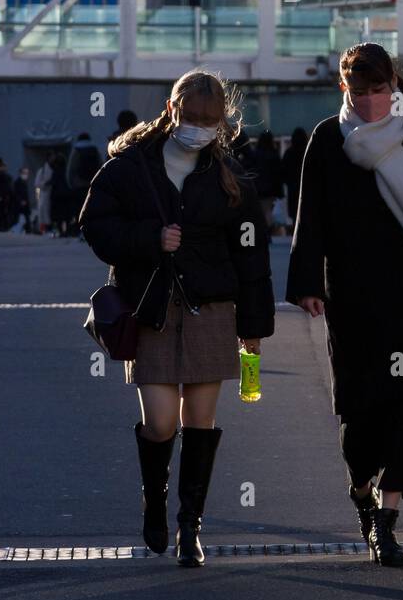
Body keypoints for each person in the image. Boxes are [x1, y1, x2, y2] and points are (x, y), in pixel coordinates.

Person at [286, 43, 403, 568]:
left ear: (394, 85)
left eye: (379, 89)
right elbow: (312, 219)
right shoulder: (327, 139)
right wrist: (307, 283)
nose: (371, 101)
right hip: (351, 294)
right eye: (360, 91)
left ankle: (387, 524)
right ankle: (360, 489)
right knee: (359, 407)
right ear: (343, 89)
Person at [80, 69, 275, 567]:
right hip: (153, 309)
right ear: (171, 111)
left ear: (222, 123)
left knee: (200, 421)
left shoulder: (231, 176)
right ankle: (155, 500)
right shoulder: (131, 166)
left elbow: (252, 257)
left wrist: (253, 329)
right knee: (162, 422)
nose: (200, 129)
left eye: (210, 122)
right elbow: (94, 224)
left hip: (212, 311)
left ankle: (191, 525)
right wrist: (149, 238)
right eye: (192, 119)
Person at [247, 130, 284, 231]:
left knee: (260, 211)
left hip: (258, 188)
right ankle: (267, 230)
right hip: (271, 189)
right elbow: (278, 174)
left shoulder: (255, 154)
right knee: (268, 210)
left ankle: (262, 230)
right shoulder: (274, 155)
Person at [67, 132, 103, 230]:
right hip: (92, 184)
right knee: (92, 208)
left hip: (79, 185)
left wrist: (71, 183)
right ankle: (92, 228)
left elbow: (71, 169)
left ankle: (81, 229)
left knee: (79, 208)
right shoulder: (94, 149)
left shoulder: (76, 150)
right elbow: (101, 166)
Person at [280, 127, 308, 228]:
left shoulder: (289, 152)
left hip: (293, 186)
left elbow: (283, 170)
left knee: (294, 211)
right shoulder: (308, 151)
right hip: (306, 186)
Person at [48, 151, 72, 237]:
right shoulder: (67, 170)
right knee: (66, 214)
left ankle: (61, 231)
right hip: (66, 195)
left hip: (57, 196)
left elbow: (53, 182)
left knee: (58, 215)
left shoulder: (55, 171)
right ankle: (68, 230)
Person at [0, 158, 14, 231]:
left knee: (1, 214)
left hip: (2, 198)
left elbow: (5, 188)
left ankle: (1, 227)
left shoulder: (4, 176)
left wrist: (1, 196)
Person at [34, 153, 53, 234]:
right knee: (43, 212)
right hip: (44, 194)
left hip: (51, 194)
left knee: (47, 212)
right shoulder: (42, 171)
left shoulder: (53, 169)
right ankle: (44, 228)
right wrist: (45, 184)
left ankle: (48, 228)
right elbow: (36, 183)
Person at [12, 167, 32, 233]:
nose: (26, 174)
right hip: (19, 203)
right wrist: (20, 200)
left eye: (27, 173)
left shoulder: (24, 182)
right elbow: (16, 193)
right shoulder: (17, 182)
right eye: (24, 173)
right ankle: (16, 229)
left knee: (26, 217)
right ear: (20, 173)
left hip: (25, 202)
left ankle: (28, 230)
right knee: (17, 217)